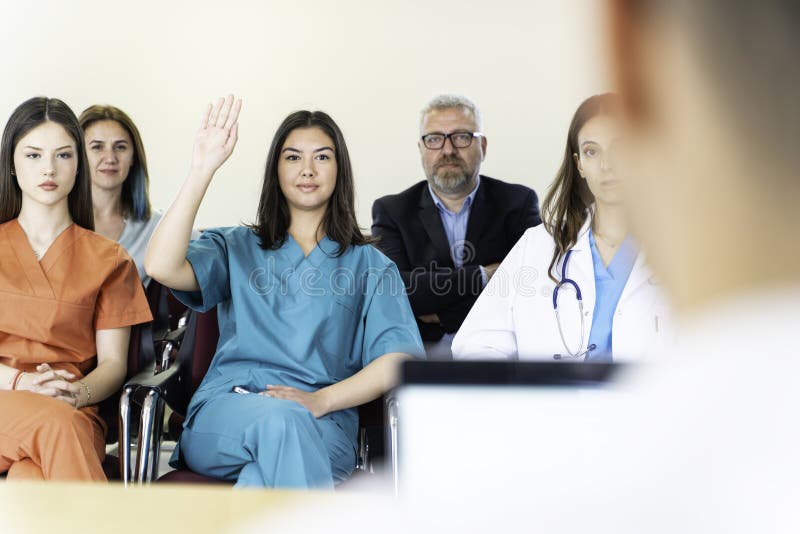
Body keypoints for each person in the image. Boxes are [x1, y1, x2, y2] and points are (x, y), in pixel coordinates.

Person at [145, 96, 424, 489]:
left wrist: (321, 400)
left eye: (322, 157)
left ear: (339, 169)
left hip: (323, 424)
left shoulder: (371, 267)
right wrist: (201, 170)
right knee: (283, 425)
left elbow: (399, 358)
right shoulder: (236, 246)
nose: (307, 169)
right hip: (230, 415)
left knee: (261, 482)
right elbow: (160, 265)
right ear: (275, 170)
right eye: (293, 157)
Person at [452, 93, 672, 361]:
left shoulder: (680, 248)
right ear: (579, 164)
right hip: (550, 402)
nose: (606, 165)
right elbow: (475, 343)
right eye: (592, 151)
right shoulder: (538, 244)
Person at [0, 97, 152, 481]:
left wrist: (76, 395)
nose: (48, 168)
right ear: (12, 165)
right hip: (7, 401)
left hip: (75, 408)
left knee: (30, 480)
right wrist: (22, 382)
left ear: (78, 166)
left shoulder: (111, 259)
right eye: (33, 156)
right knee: (56, 426)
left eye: (63, 155)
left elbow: (114, 364)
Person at [371, 94, 541, 359]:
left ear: (482, 145)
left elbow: (528, 289)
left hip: (497, 354)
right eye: (434, 139)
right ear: (421, 148)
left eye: (461, 137)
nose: (448, 150)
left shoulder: (517, 204)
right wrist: (482, 276)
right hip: (420, 355)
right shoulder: (392, 211)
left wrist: (439, 311)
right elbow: (395, 292)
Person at [79, 105, 197, 286]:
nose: (110, 158)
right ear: (78, 155)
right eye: (97, 147)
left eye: (120, 147)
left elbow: (214, 254)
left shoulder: (156, 227)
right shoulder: (58, 224)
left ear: (134, 156)